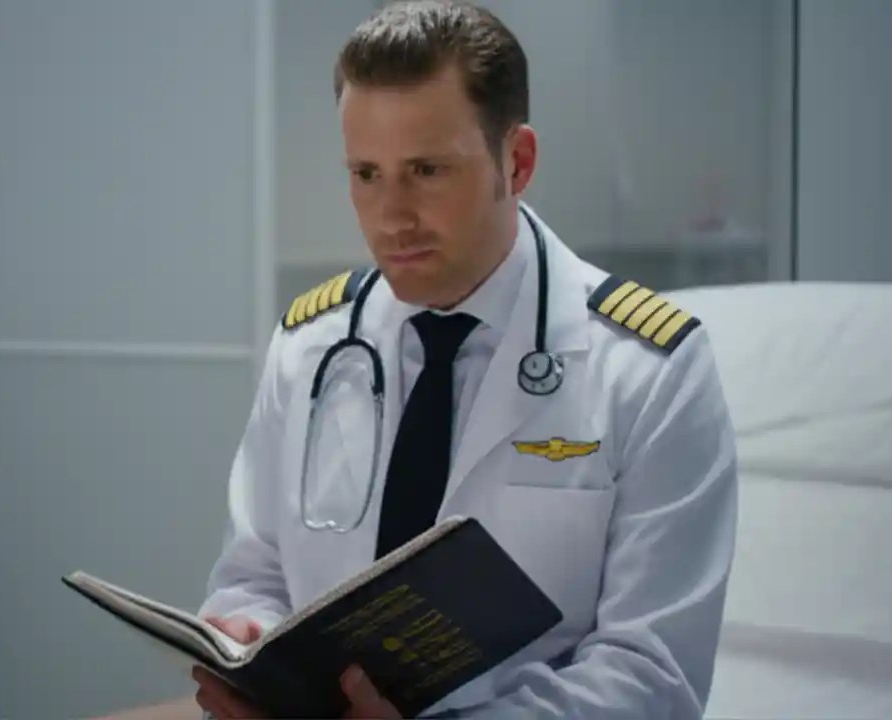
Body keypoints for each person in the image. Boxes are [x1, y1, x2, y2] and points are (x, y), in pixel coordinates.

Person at [191, 1, 738, 718]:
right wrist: (251, 647)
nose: (392, 216)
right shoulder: (309, 347)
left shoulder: (651, 372)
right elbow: (254, 575)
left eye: (427, 170)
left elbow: (653, 678)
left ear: (517, 162)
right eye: (366, 173)